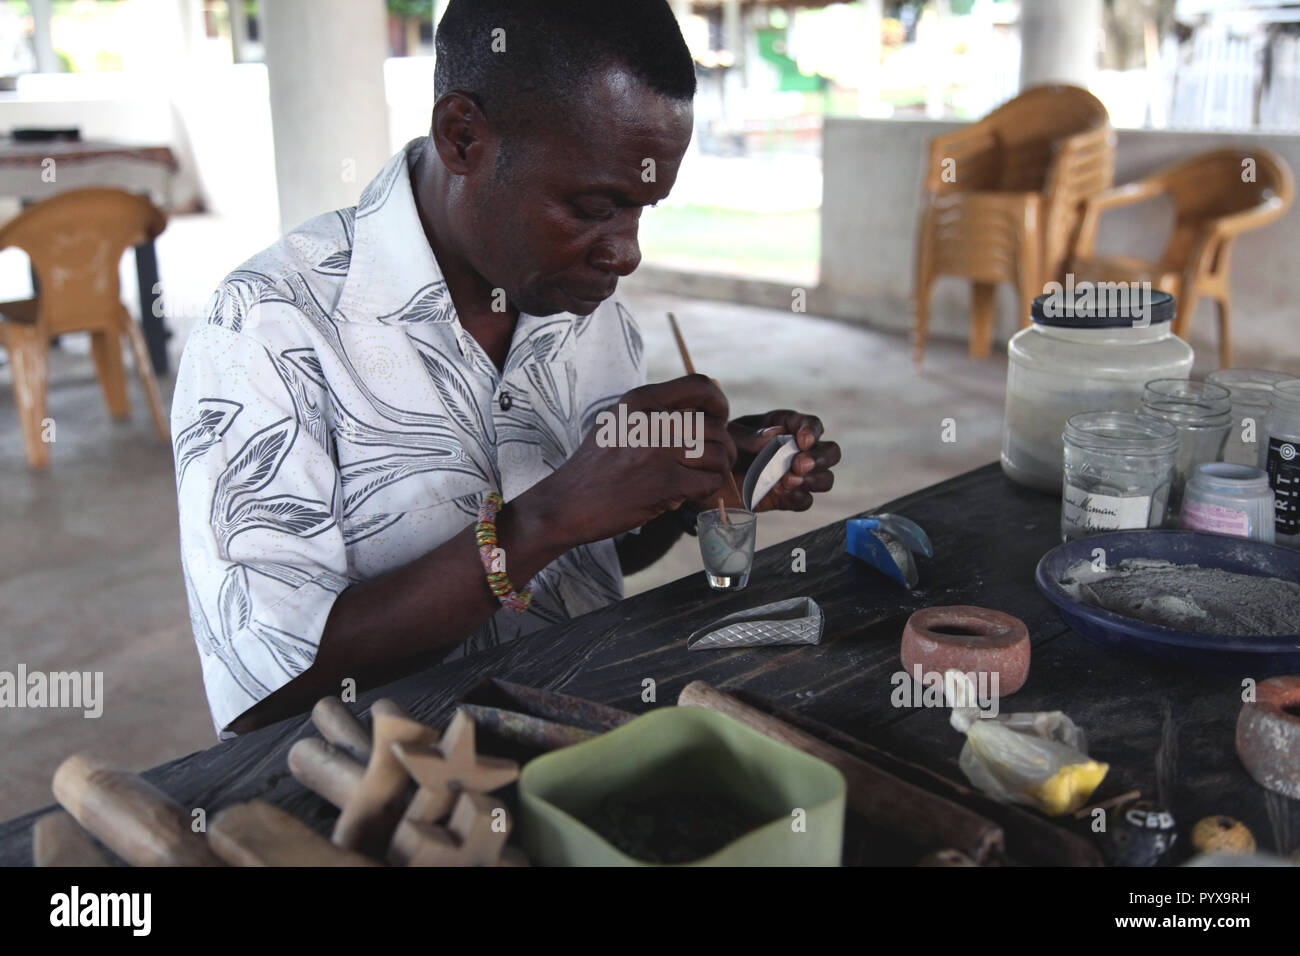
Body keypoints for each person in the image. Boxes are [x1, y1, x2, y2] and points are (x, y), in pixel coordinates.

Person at [171, 0, 840, 737]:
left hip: (591, 737)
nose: (626, 252)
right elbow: (267, 687)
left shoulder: (589, 316)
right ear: (463, 137)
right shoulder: (268, 329)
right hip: (396, 791)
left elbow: (597, 552)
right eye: (594, 206)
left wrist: (677, 488)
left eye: (643, 210)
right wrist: (541, 521)